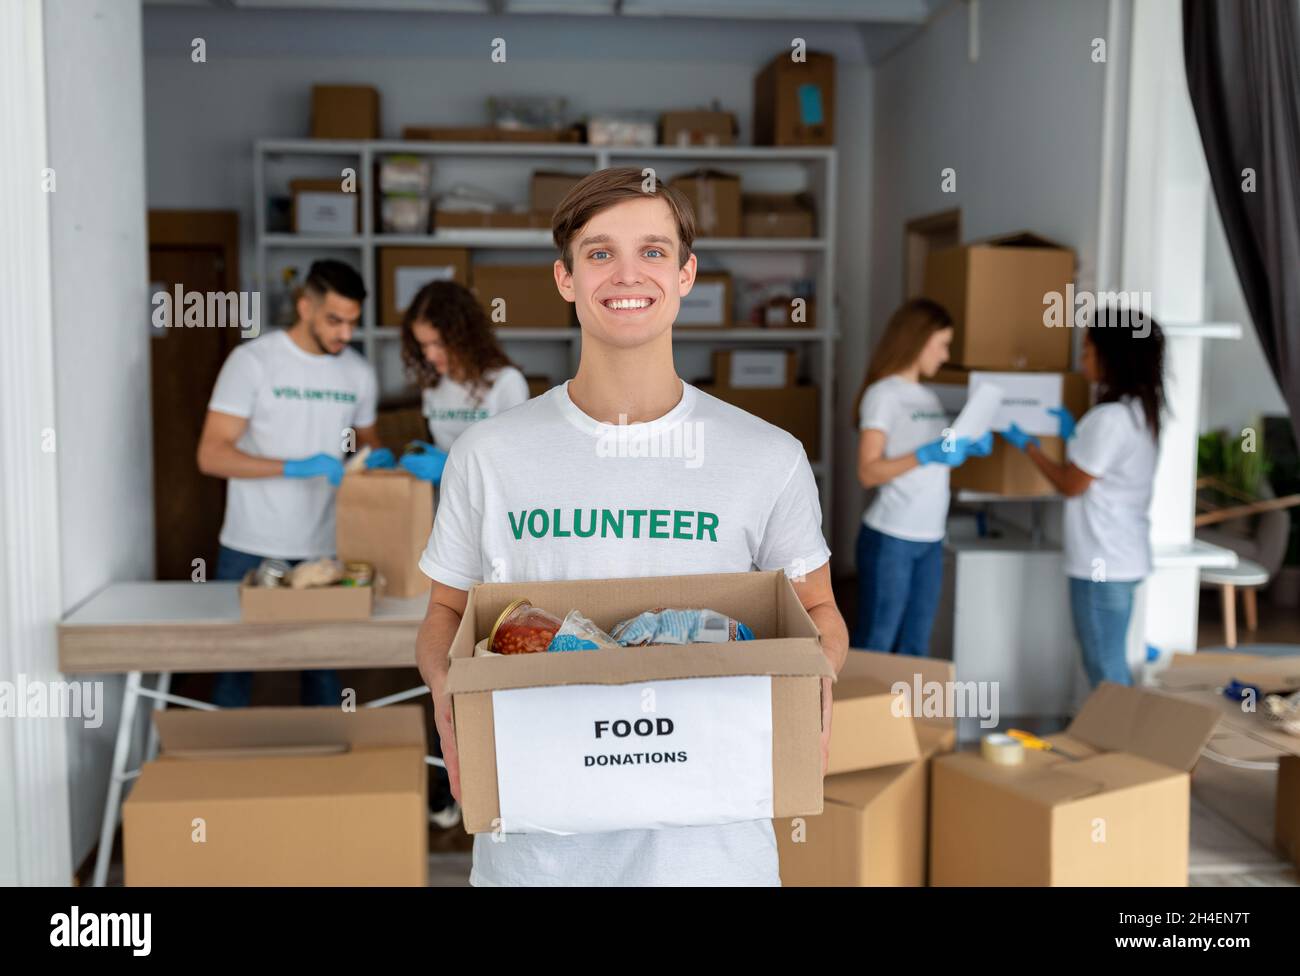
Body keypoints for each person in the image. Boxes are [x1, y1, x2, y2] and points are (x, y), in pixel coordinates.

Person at [414, 166, 849, 886]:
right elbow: (446, 613)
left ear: (686, 275)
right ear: (565, 278)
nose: (627, 273)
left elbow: (820, 613)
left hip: (711, 856)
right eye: (598, 252)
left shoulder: (765, 456)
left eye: (653, 251)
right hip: (537, 850)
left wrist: (815, 678)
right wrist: (444, 690)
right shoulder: (490, 454)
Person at [197, 259, 382, 707]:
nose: (344, 334)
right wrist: (292, 467)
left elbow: (368, 448)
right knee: (234, 670)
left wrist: (377, 461)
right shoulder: (254, 362)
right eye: (334, 320)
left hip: (324, 548)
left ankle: (324, 775)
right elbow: (212, 455)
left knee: (321, 671)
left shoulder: (357, 373)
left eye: (353, 323)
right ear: (305, 307)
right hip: (250, 544)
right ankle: (220, 774)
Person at [999, 305, 1165, 687]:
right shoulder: (1141, 411)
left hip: (1102, 562)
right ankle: (1118, 739)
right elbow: (1107, 472)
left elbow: (1071, 484)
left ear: (1112, 357)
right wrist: (1075, 435)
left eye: (1087, 349)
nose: (1081, 358)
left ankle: (1122, 743)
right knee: (1108, 662)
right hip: (1125, 556)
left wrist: (1030, 447)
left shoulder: (1109, 419)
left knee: (1105, 670)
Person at [852, 298, 992, 655]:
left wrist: (963, 449)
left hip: (930, 539)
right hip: (891, 539)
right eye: (942, 344)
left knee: (917, 646)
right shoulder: (883, 396)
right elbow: (868, 472)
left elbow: (932, 464)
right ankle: (866, 713)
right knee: (877, 644)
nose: (945, 356)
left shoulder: (928, 397)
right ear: (919, 340)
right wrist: (925, 454)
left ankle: (909, 714)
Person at [368, 281, 529, 485]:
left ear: (465, 336)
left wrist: (449, 466)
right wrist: (410, 458)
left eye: (439, 344)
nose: (430, 355)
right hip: (442, 504)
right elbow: (440, 446)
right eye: (423, 345)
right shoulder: (433, 385)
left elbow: (516, 463)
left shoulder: (506, 382)